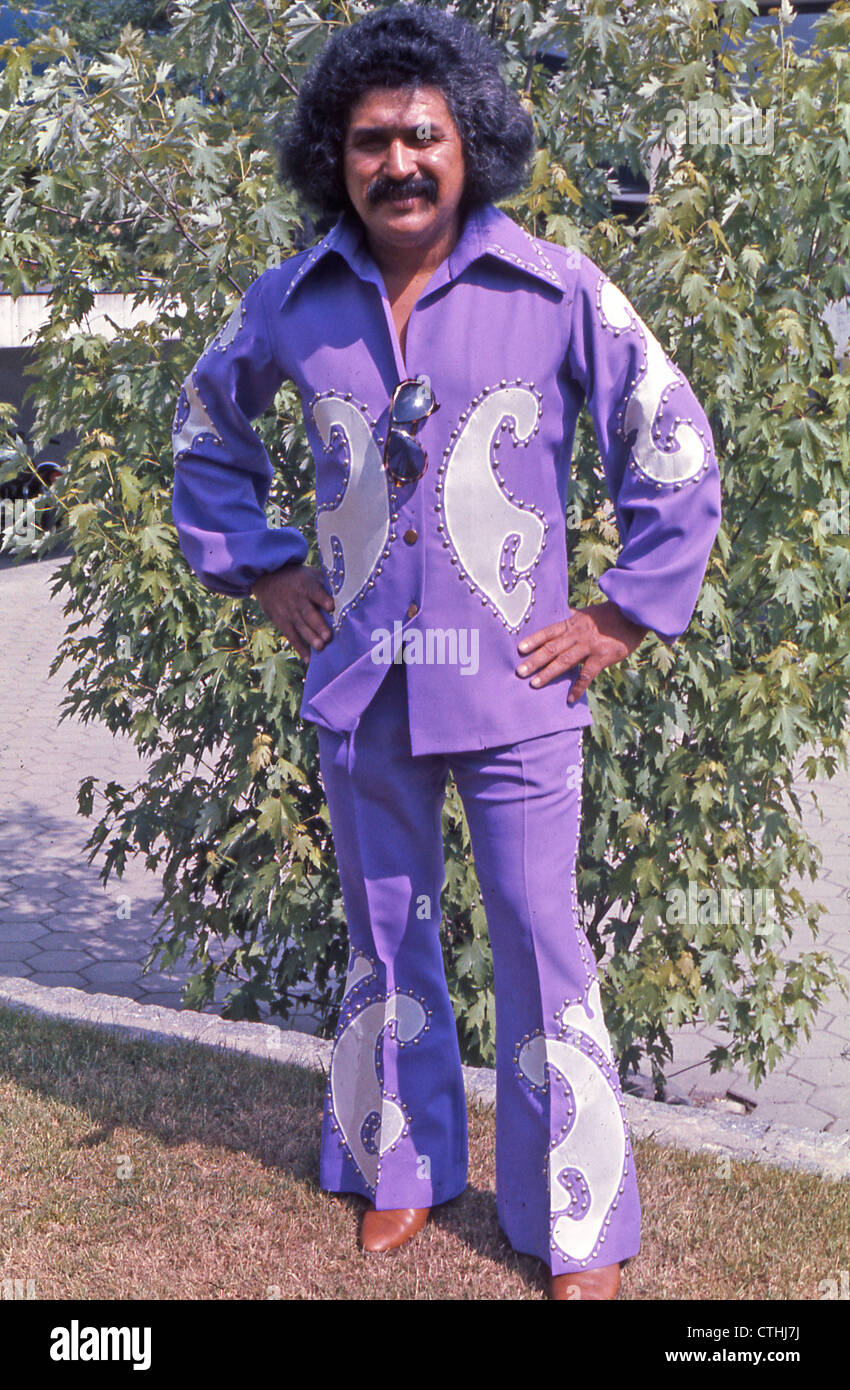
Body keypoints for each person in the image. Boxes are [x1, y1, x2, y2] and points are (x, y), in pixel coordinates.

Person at [171, 4, 722, 1300]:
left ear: (469, 141)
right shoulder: (294, 304)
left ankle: (574, 1220)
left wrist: (622, 613)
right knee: (385, 927)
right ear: (335, 155)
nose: (397, 162)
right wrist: (265, 569)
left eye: (421, 134)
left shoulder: (556, 288)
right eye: (368, 141)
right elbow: (206, 433)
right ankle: (405, 1170)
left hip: (519, 687)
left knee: (540, 939)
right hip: (363, 683)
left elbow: (671, 443)